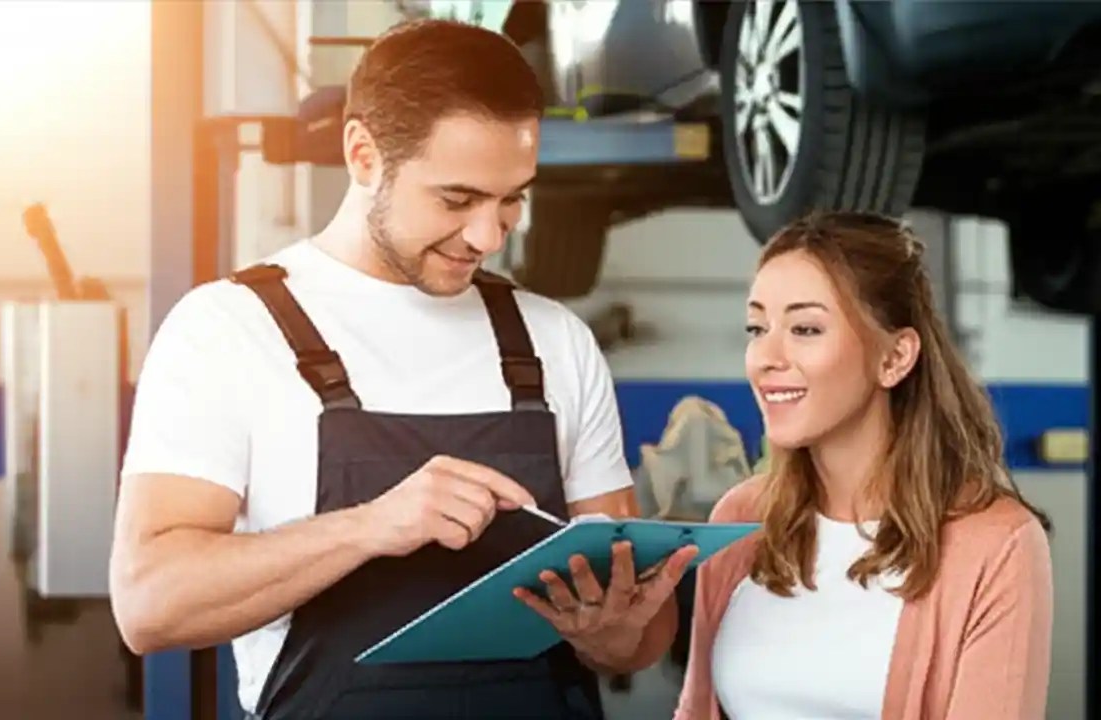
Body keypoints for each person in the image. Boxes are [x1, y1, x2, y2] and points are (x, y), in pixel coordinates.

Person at [108, 18, 696, 720]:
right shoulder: (229, 331)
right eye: (457, 200)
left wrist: (617, 634)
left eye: (512, 200)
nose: (487, 236)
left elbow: (641, 637)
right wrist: (371, 527)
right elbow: (149, 604)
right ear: (363, 154)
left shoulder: (554, 341)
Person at [673, 212, 1055, 720]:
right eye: (757, 327)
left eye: (805, 328)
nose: (766, 355)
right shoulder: (741, 518)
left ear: (895, 358)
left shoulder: (997, 544)